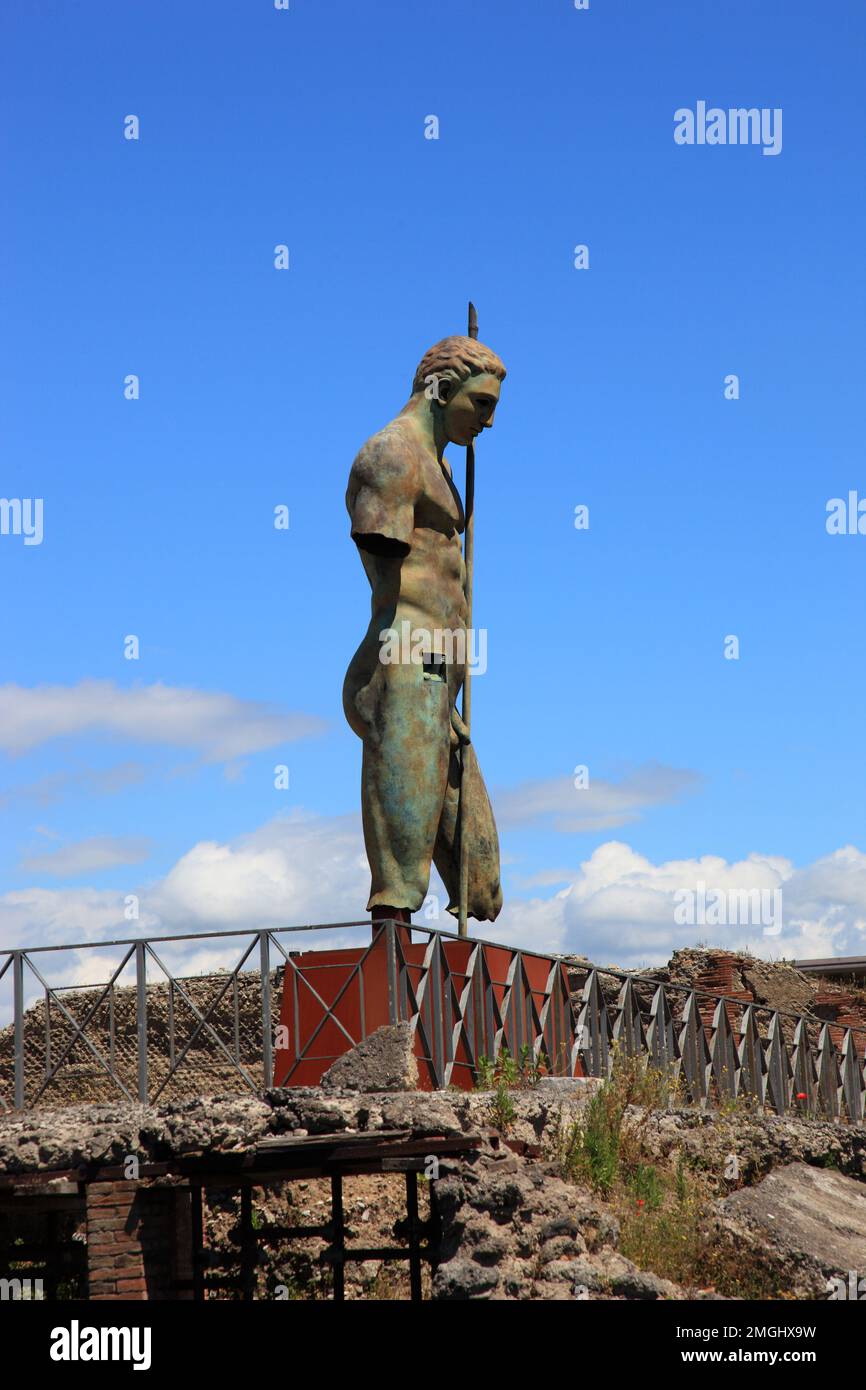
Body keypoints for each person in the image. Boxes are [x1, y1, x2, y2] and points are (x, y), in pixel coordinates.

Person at [343, 334, 506, 926]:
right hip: (406, 658)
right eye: (481, 405)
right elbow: (392, 567)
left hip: (442, 671)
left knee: (480, 872)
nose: (489, 422)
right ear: (441, 389)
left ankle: (443, 981)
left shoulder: (437, 464)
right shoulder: (392, 455)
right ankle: (391, 968)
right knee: (403, 857)